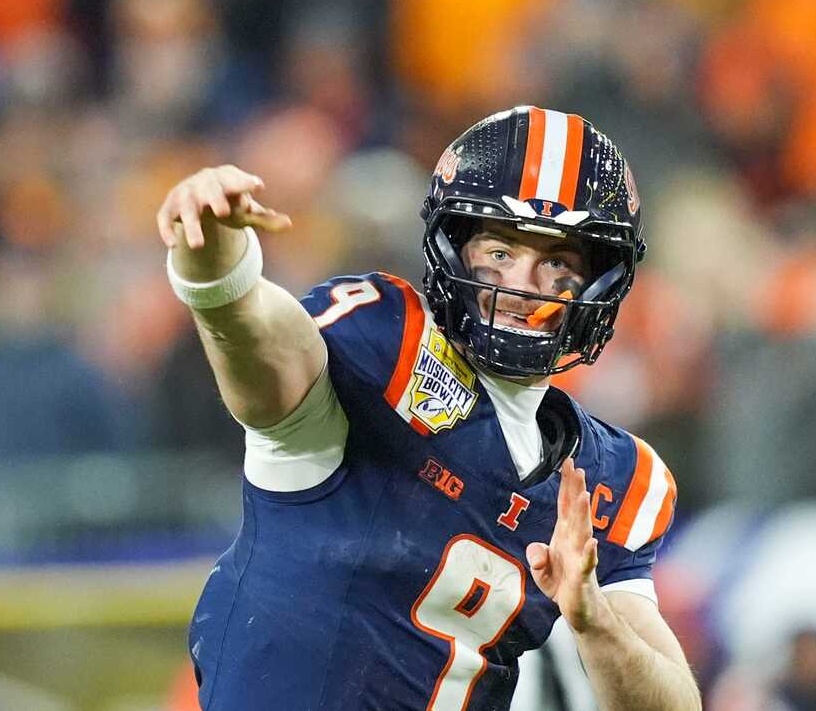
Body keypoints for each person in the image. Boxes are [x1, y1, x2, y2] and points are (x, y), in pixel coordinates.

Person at [158, 106, 699, 710]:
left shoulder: (615, 479)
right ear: (455, 246)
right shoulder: (383, 345)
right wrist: (217, 272)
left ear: (598, 286)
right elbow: (262, 350)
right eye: (499, 250)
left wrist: (595, 619)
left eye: (556, 263)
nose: (521, 284)